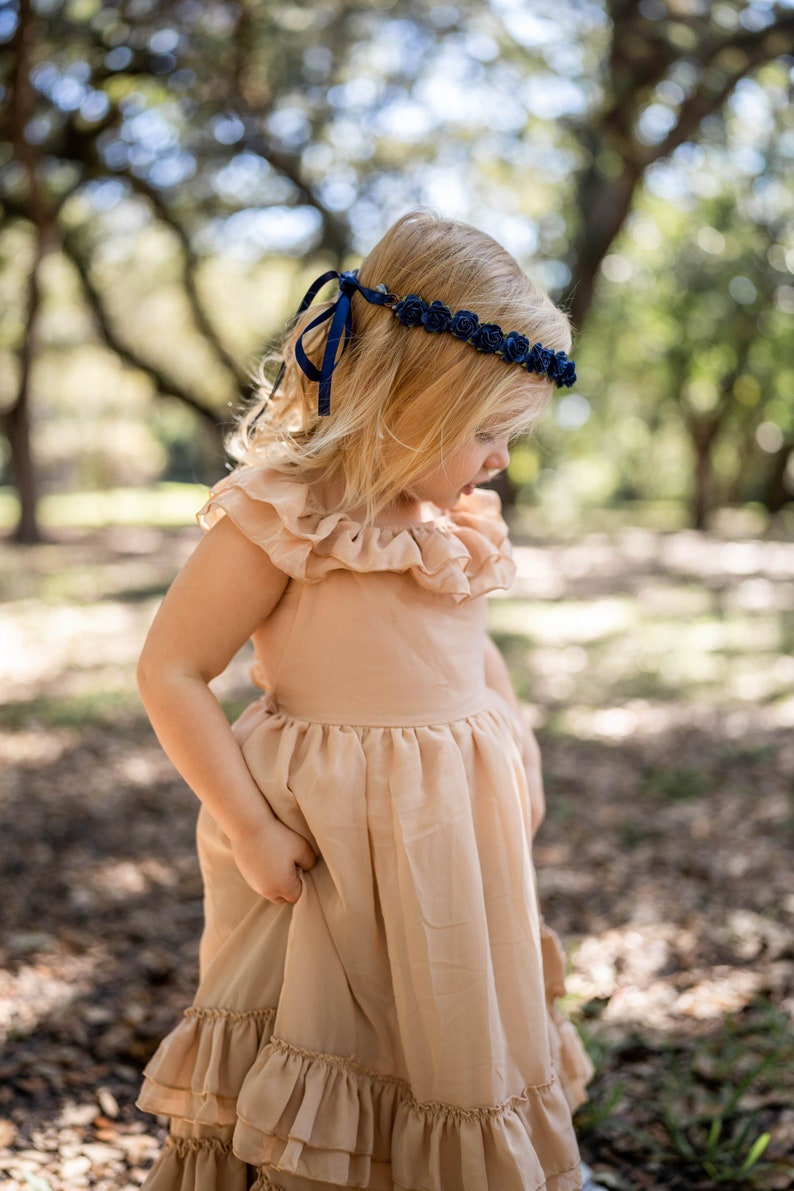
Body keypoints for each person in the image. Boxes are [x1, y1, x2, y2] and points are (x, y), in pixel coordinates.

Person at [136, 209, 596, 1191]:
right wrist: (247, 825)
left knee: (444, 1028)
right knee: (336, 1026)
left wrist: (516, 750)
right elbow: (170, 669)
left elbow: (471, 654)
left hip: (453, 838)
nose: (499, 461)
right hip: (329, 843)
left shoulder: (454, 523)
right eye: (485, 432)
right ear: (413, 404)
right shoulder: (283, 511)